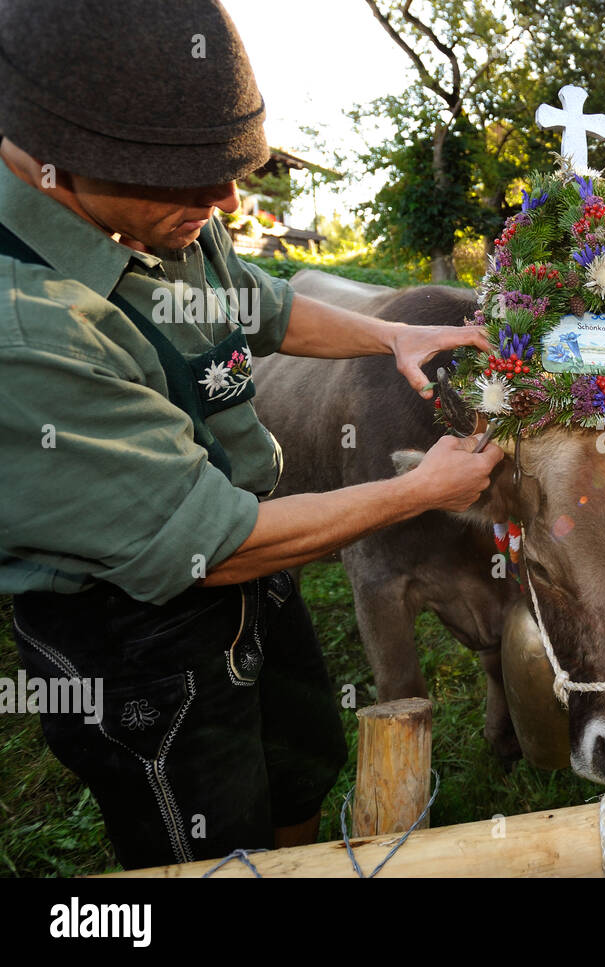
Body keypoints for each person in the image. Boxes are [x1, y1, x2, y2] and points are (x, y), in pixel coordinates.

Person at [0, 0, 503, 870]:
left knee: (298, 763)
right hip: (136, 632)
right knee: (205, 833)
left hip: (257, 565)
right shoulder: (28, 329)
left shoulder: (163, 198)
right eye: (192, 178)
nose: (226, 199)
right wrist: (421, 489)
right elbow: (210, 545)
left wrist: (392, 333)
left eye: (227, 168)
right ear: (53, 165)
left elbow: (257, 305)